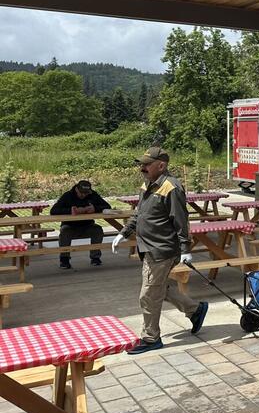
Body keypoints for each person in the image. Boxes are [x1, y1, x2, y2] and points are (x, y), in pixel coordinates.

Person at [112, 146, 207, 355]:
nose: (142, 168)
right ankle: (195, 310)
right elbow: (140, 213)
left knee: (148, 295)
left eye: (147, 164)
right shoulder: (147, 184)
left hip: (162, 249)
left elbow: (180, 220)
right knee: (158, 288)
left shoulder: (171, 187)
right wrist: (124, 233)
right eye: (141, 164)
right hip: (148, 247)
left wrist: (185, 248)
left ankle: (150, 338)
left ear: (161, 166)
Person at [49, 180, 111, 270]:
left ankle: (95, 257)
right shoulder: (67, 196)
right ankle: (64, 259)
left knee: (97, 230)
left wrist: (95, 208)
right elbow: (53, 211)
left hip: (88, 225)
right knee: (64, 232)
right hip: (70, 226)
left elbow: (107, 206)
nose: (83, 195)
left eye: (86, 193)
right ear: (76, 189)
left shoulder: (93, 195)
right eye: (81, 193)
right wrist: (70, 210)